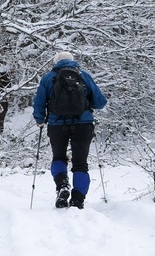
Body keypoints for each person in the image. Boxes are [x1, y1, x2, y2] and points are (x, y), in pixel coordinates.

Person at [32, 51, 107, 209]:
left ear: (55, 62)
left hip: (57, 125)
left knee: (58, 157)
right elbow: (100, 102)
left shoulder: (48, 78)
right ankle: (77, 199)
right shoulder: (83, 76)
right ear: (73, 61)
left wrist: (40, 120)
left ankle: (62, 185)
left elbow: (39, 102)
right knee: (80, 163)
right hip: (83, 124)